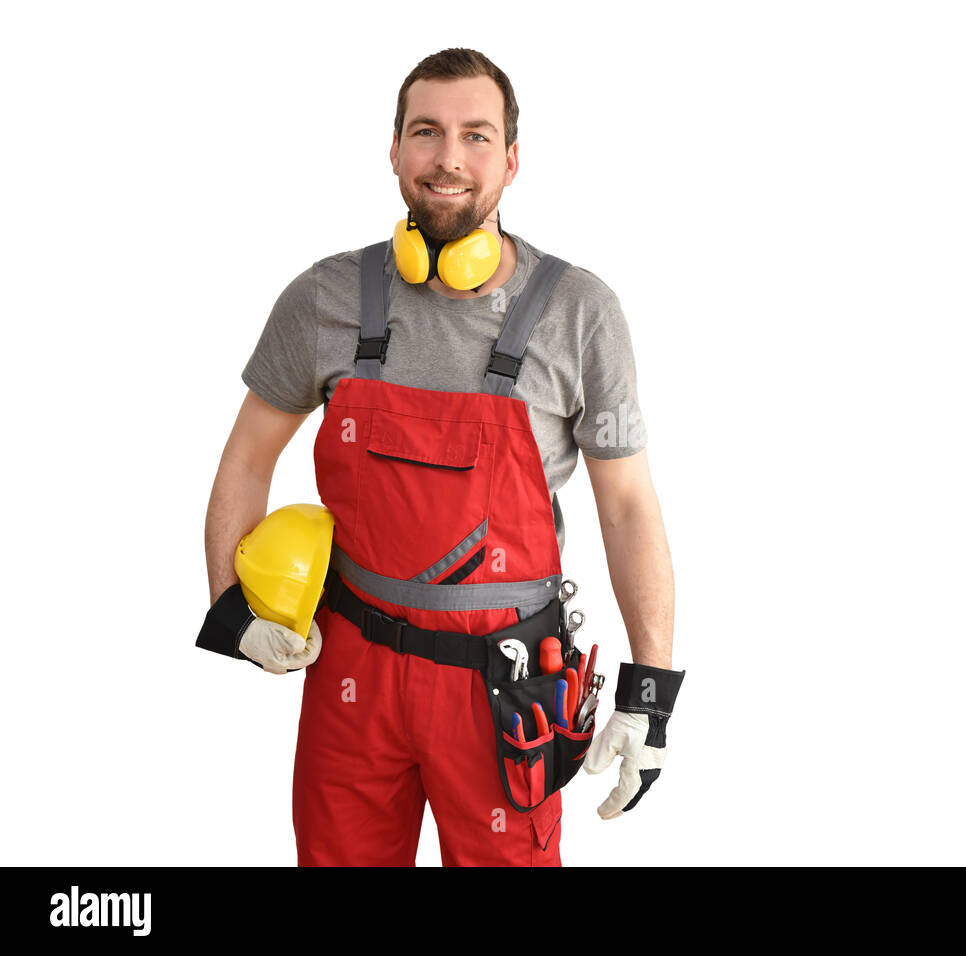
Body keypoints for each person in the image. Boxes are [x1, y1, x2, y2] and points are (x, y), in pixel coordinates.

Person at [196, 48, 684, 866]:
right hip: (351, 677)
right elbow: (246, 458)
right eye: (426, 132)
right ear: (394, 151)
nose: (449, 158)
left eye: (476, 136)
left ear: (512, 159)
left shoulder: (578, 311)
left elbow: (628, 507)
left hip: (505, 693)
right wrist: (230, 611)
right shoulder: (326, 298)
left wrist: (650, 694)